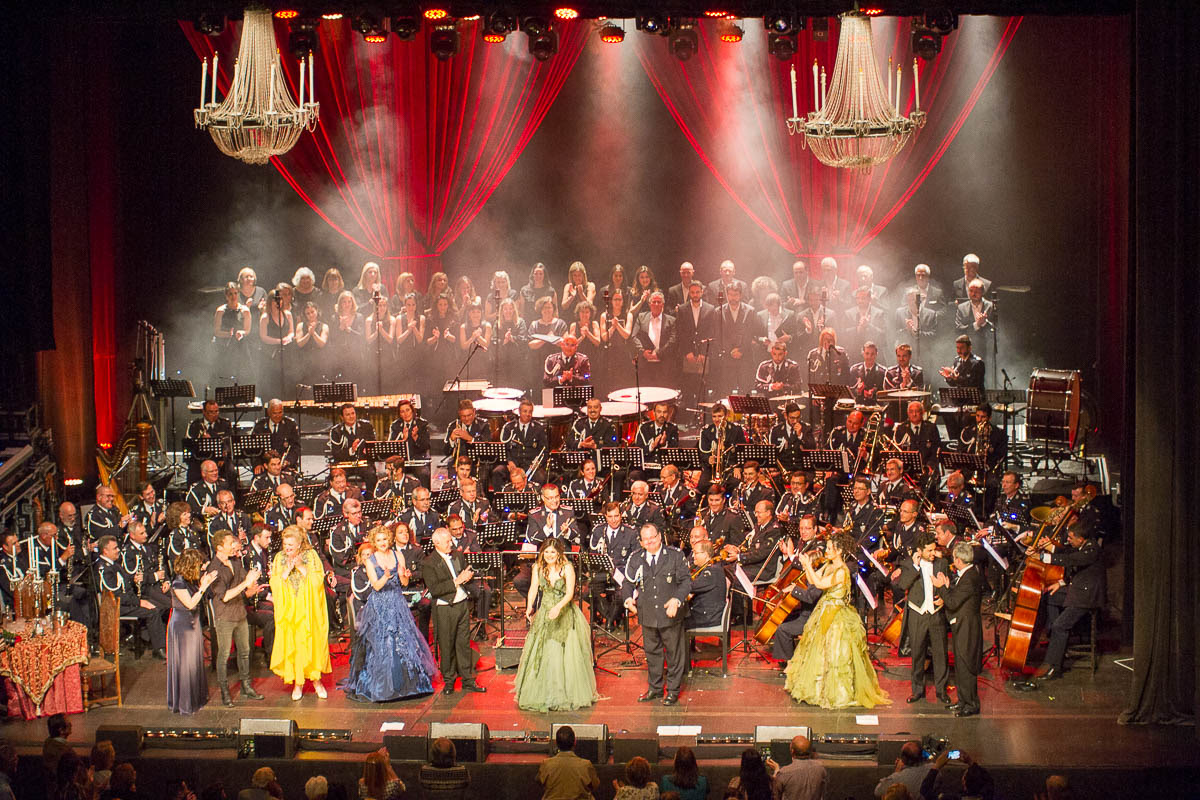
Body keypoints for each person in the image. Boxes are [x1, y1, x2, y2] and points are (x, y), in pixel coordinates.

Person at [783, 530, 891, 708]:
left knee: (836, 653)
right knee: (819, 651)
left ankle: (838, 692)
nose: (827, 550)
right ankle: (820, 688)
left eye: (830, 548)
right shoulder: (829, 565)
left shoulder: (842, 571)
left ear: (839, 551)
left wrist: (808, 566)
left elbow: (820, 584)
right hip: (825, 611)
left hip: (836, 616)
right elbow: (814, 581)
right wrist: (806, 566)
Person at [340, 526, 437, 702]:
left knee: (403, 641)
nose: (383, 543)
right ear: (374, 543)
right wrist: (385, 576)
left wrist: (405, 575)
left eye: (385, 539)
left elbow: (404, 583)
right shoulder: (371, 560)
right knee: (383, 643)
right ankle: (382, 687)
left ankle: (407, 685)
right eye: (379, 540)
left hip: (396, 602)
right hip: (380, 605)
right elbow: (376, 586)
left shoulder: (397, 555)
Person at [514, 537, 597, 712]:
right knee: (544, 651)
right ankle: (544, 692)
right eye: (546, 552)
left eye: (553, 552)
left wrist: (558, 608)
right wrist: (529, 607)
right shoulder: (538, 568)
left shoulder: (567, 568)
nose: (549, 555)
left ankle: (562, 693)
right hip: (545, 612)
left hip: (563, 612)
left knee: (561, 653)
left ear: (559, 553)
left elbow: (570, 594)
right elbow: (533, 589)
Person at [623, 524, 691, 705]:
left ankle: (673, 690)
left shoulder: (675, 556)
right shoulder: (636, 558)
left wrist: (677, 599)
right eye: (645, 539)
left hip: (670, 614)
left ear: (660, 536)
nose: (650, 542)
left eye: (652, 537)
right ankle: (655, 688)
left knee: (674, 654)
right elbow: (627, 583)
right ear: (641, 541)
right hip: (647, 613)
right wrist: (628, 599)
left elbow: (686, 582)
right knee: (652, 654)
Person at [1033, 523, 1106, 680]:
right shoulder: (1083, 546)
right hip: (1078, 588)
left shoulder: (1092, 550)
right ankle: (1056, 637)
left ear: (1081, 539)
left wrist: (1042, 556)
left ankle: (1053, 666)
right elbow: (1075, 566)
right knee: (1051, 596)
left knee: (1061, 625)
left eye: (1071, 538)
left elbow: (1072, 560)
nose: (1068, 540)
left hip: (1087, 596)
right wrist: (1060, 583)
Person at [270, 525, 332, 700]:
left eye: (291, 544)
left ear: (299, 544)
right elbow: (275, 582)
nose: (287, 547)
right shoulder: (279, 558)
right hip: (290, 609)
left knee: (310, 644)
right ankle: (297, 684)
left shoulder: (310, 556)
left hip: (308, 608)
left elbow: (318, 580)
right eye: (285, 544)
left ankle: (316, 681)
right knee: (294, 646)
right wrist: (286, 572)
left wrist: (301, 567)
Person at [422, 527, 485, 694]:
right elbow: (435, 589)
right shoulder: (429, 562)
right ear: (436, 543)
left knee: (463, 643)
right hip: (445, 607)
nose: (452, 543)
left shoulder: (457, 555)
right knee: (447, 644)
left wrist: (467, 577)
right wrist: (457, 581)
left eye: (451, 540)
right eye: (448, 541)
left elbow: (463, 574)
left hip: (461, 603)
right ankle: (449, 680)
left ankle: (468, 679)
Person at [892, 530, 951, 705]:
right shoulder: (909, 564)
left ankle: (941, 690)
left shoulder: (942, 563)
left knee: (940, 654)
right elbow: (902, 585)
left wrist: (943, 596)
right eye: (929, 551)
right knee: (917, 653)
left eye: (934, 550)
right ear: (920, 550)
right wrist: (916, 567)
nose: (933, 554)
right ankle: (917, 690)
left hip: (935, 614)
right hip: (918, 613)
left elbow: (947, 584)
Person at [209, 531, 265, 706]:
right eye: (229, 543)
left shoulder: (235, 561)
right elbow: (224, 596)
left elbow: (244, 590)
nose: (234, 546)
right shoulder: (214, 568)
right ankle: (225, 691)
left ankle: (246, 686)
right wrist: (245, 583)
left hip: (240, 613)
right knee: (224, 654)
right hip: (225, 616)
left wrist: (252, 589)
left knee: (245, 651)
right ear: (219, 547)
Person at [167, 548, 218, 714]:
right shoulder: (178, 583)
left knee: (195, 662)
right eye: (199, 565)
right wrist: (203, 587)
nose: (202, 568)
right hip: (182, 625)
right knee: (186, 664)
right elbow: (190, 604)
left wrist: (205, 583)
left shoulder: (190, 580)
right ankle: (185, 703)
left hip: (193, 623)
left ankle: (197, 698)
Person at [936, 541, 984, 717]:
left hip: (967, 628)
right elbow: (957, 597)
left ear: (958, 560)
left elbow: (953, 602)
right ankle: (963, 700)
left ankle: (971, 704)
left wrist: (941, 587)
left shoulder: (969, 577)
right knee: (961, 666)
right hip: (962, 626)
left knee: (966, 666)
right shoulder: (968, 574)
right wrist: (949, 588)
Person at [537, 726, 600, 800]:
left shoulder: (546, 764)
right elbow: (595, 785)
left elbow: (540, 782)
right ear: (575, 742)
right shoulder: (586, 765)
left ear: (556, 742)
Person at [774, 736, 827, 800]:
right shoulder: (820, 768)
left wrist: (776, 772)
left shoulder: (784, 773)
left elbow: (775, 796)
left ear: (792, 751)